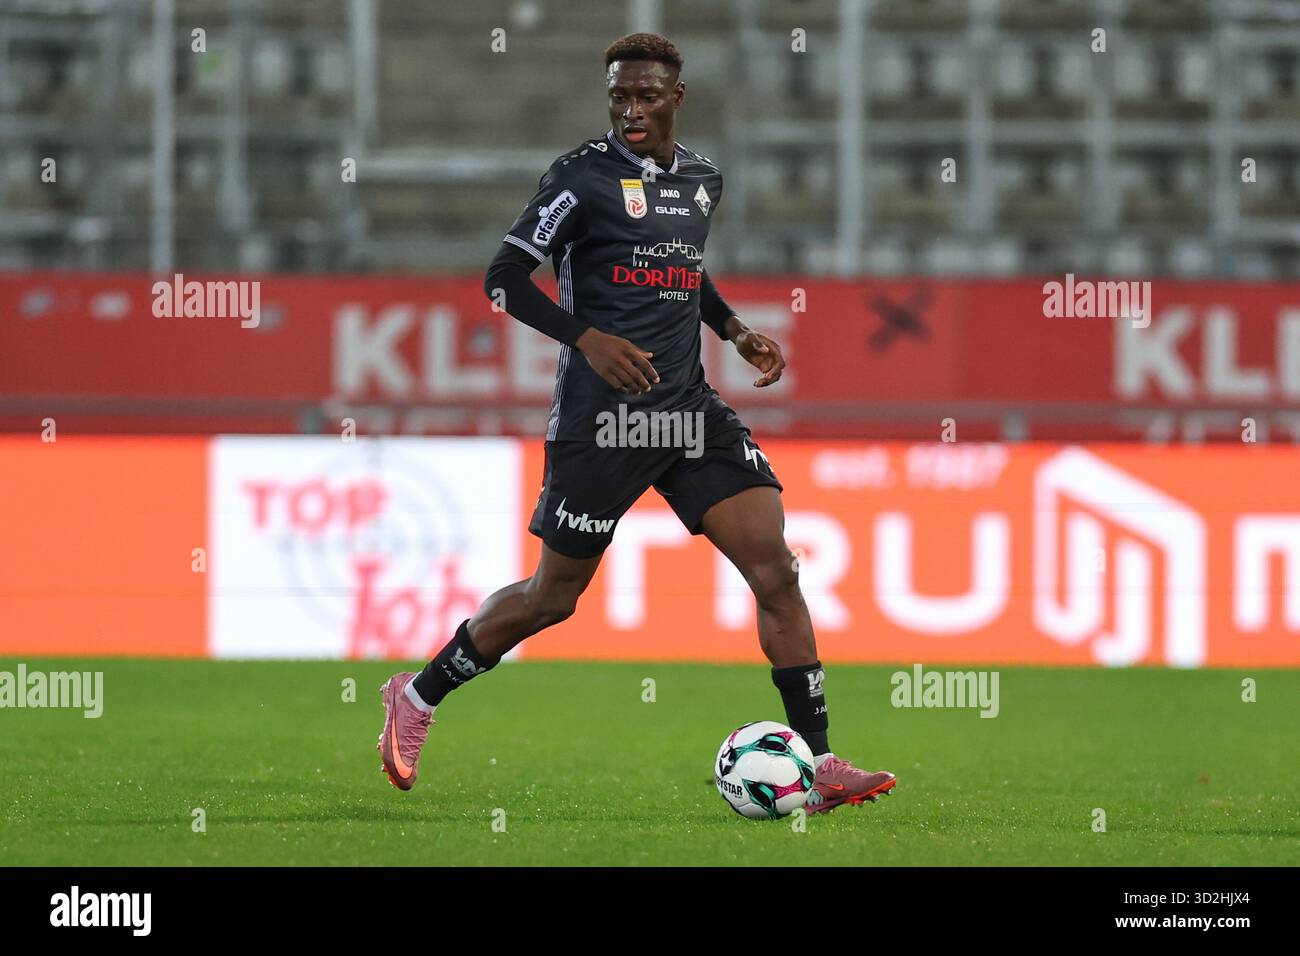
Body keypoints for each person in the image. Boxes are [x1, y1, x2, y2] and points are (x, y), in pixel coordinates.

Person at [379, 32, 896, 815]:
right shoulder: (580, 176)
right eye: (619, 96)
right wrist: (585, 338)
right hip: (603, 423)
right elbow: (504, 278)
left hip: (689, 412)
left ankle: (819, 762)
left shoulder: (702, 179)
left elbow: (684, 264)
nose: (631, 111)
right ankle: (417, 696)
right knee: (554, 597)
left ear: (676, 97)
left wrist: (732, 330)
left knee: (778, 572)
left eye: (646, 96)